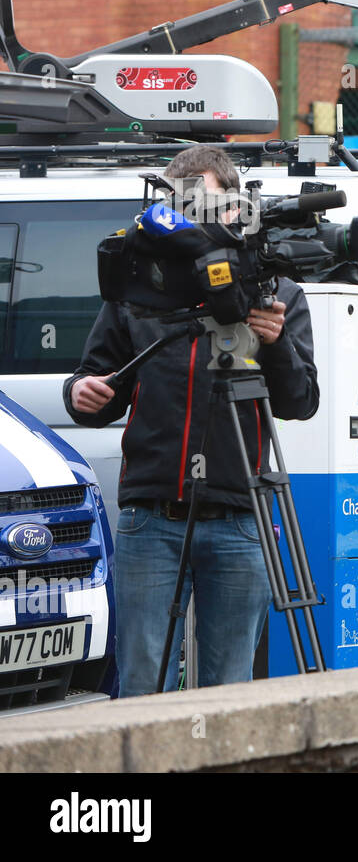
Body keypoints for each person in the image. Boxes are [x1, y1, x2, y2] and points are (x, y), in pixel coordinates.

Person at [64, 144, 320, 696]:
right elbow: (98, 383)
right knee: (141, 682)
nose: (196, 222)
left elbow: (299, 403)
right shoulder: (138, 287)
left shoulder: (275, 290)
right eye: (184, 209)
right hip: (150, 515)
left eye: (207, 206)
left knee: (230, 689)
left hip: (239, 515)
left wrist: (274, 345)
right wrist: (79, 393)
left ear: (234, 206)